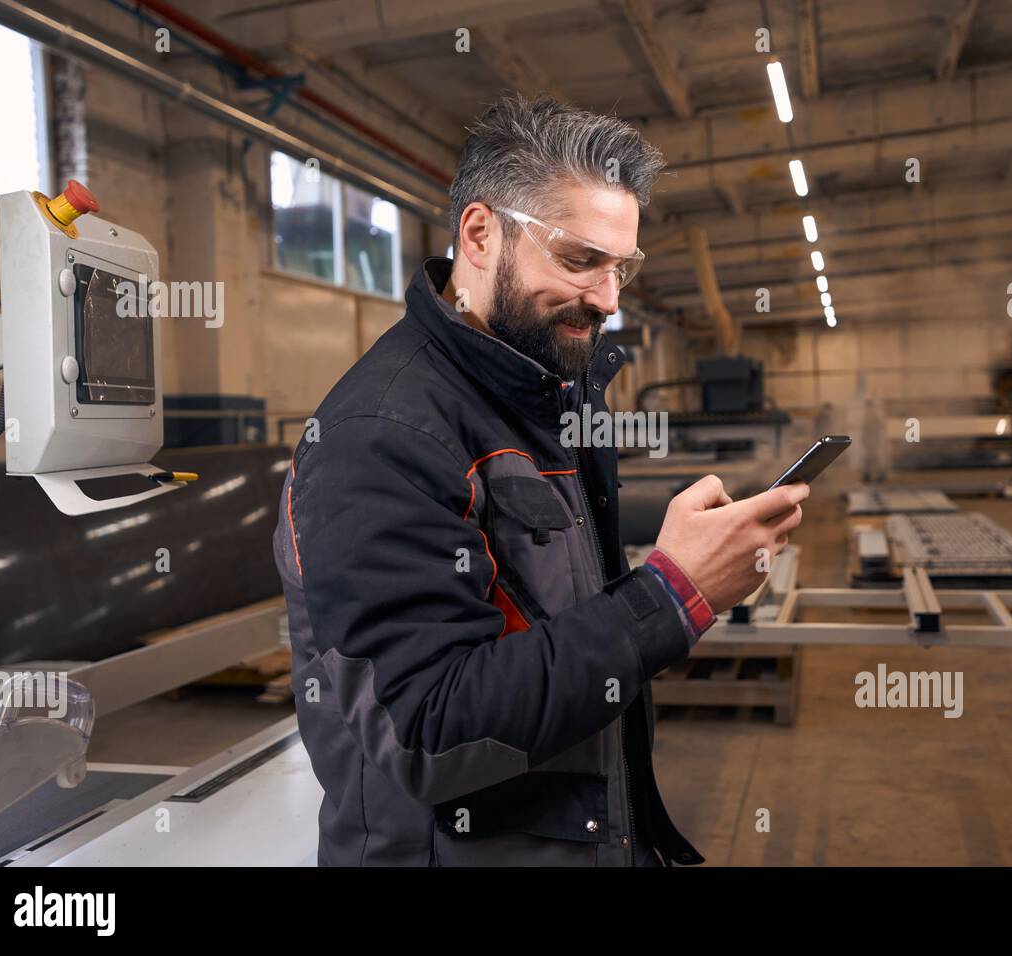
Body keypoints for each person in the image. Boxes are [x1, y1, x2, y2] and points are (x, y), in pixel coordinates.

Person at [271, 93, 807, 866]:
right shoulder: (381, 434)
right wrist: (673, 593)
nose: (610, 299)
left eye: (620, 267)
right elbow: (430, 733)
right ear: (481, 234)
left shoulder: (544, 391)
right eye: (581, 260)